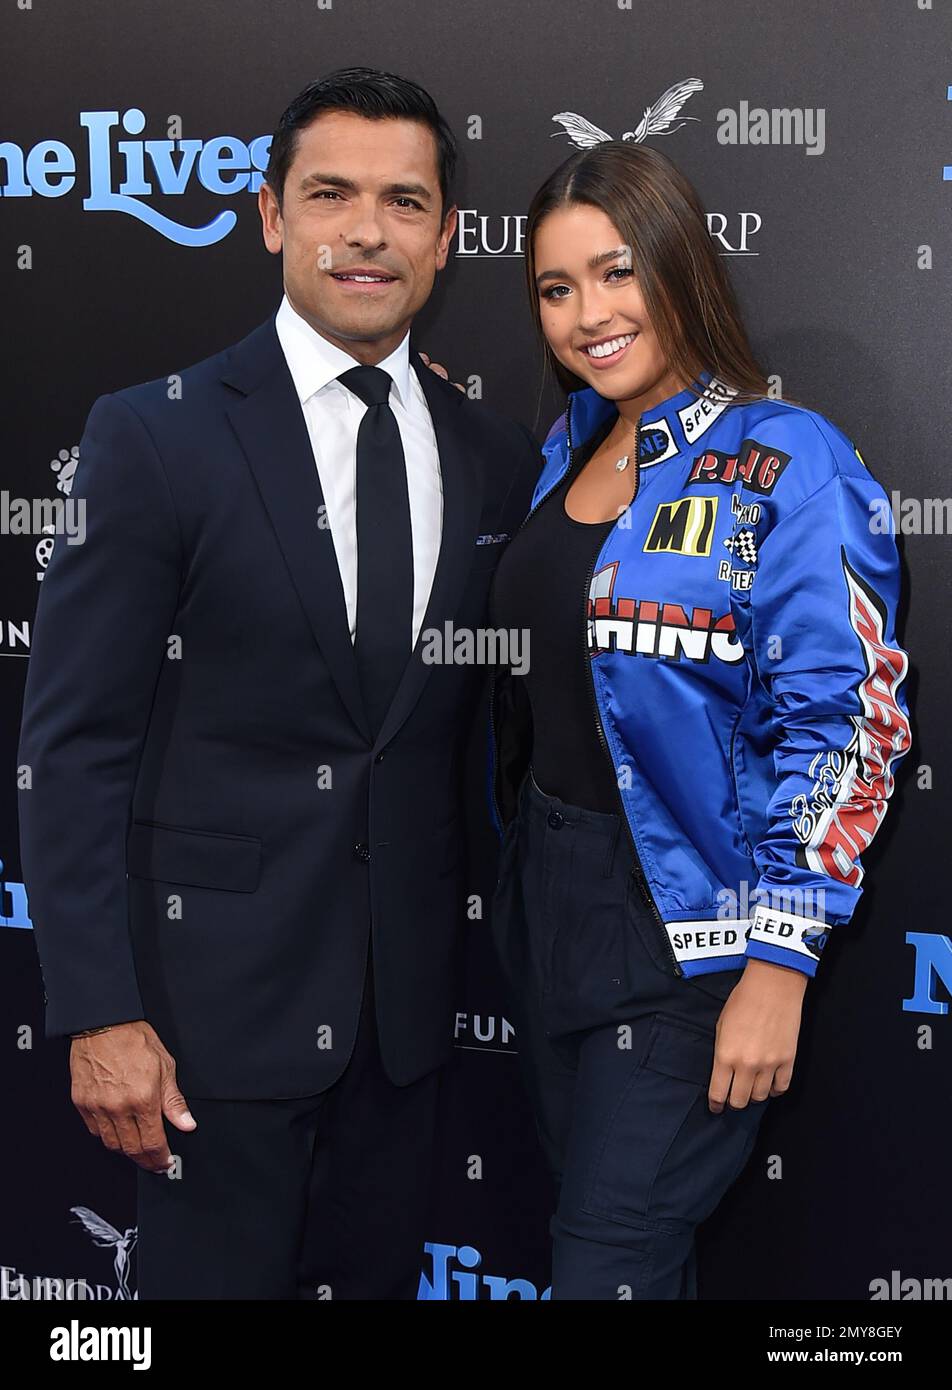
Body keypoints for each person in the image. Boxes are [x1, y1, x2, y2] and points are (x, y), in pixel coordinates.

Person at [16, 67, 540, 1300]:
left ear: (446, 237)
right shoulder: (157, 432)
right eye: (331, 194)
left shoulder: (495, 457)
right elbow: (74, 743)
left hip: (407, 1028)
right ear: (268, 216)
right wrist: (97, 1013)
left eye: (403, 201)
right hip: (205, 1029)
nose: (367, 230)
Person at [487, 141, 912, 1299]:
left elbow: (851, 723)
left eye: (616, 272)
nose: (588, 314)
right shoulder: (559, 452)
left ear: (681, 268)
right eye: (556, 287)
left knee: (603, 1262)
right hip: (548, 914)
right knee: (615, 1252)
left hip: (695, 939)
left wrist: (780, 956)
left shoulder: (789, 460)